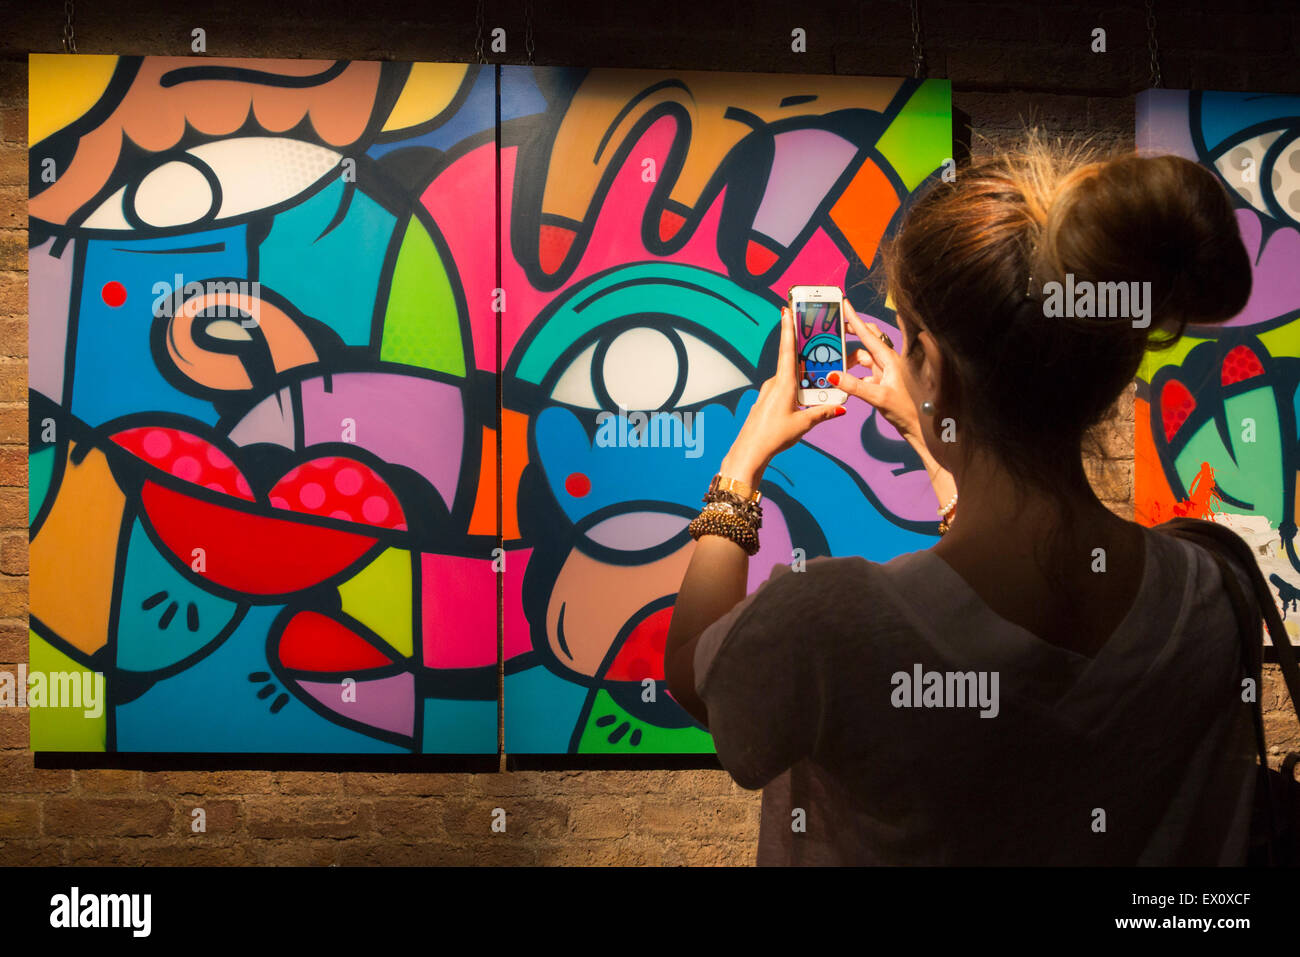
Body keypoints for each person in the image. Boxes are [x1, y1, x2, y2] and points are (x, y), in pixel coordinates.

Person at [663, 135, 1261, 865]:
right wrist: (942, 438)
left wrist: (740, 467)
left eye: (910, 336)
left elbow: (695, 669)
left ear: (934, 366)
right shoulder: (1213, 596)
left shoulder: (827, 625)